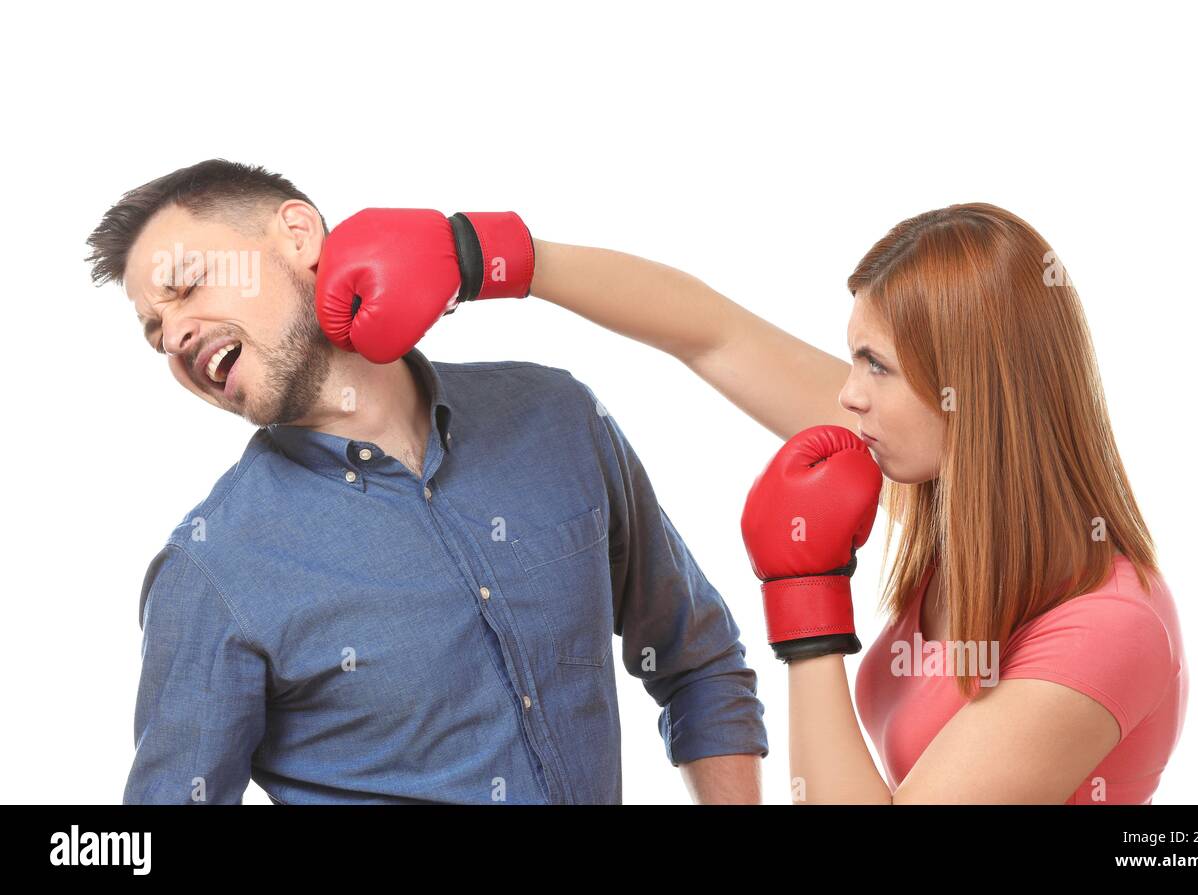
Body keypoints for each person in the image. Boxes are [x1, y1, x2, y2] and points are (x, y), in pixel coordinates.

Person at [414, 203, 1186, 804]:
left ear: (969, 393)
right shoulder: (948, 486)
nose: (847, 396)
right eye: (855, 357)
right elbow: (710, 332)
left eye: (876, 366)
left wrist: (807, 602)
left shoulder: (1106, 627)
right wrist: (482, 252)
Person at [85, 159, 767, 804]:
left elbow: (699, 664)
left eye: (188, 284)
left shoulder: (556, 416)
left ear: (297, 234)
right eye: (155, 333)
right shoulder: (212, 566)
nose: (173, 334)